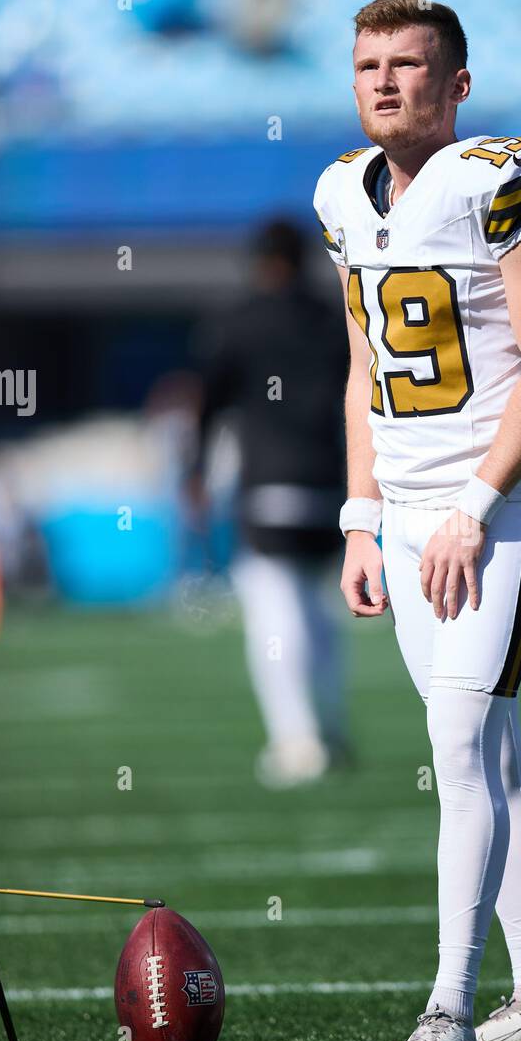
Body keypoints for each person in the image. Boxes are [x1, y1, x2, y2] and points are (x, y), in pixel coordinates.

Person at [313, 0, 521, 1041]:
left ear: (456, 84)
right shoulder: (340, 190)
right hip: (409, 513)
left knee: (458, 746)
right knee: (496, 755)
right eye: (368, 63)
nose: (385, 80)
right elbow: (363, 374)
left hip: (497, 505)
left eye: (410, 64)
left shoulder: (504, 178)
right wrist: (360, 519)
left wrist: (472, 509)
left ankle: (447, 1006)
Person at [190, 219, 350, 787]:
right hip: (333, 486)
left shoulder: (239, 322)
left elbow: (206, 405)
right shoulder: (335, 320)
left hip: (268, 488)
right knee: (319, 611)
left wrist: (194, 473)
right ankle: (331, 727)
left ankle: (296, 740)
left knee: (273, 614)